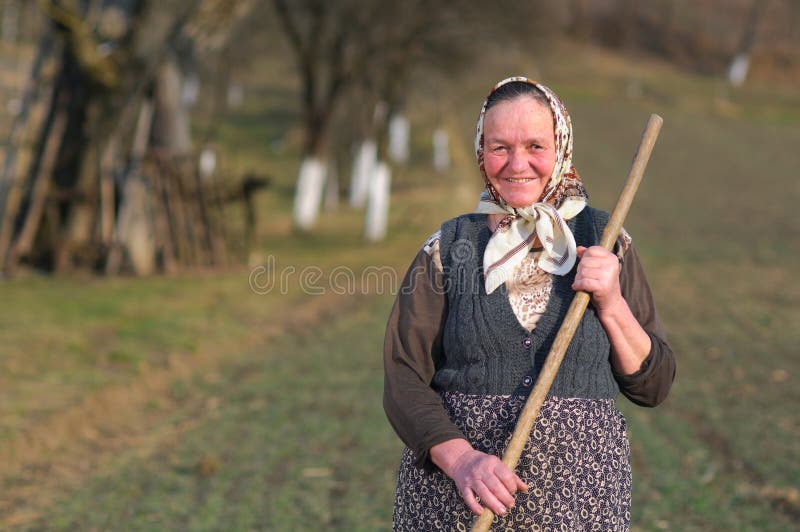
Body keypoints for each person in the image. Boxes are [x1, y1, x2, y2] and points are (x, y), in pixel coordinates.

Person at [383, 77, 676, 530]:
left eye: (535, 145)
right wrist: (461, 460)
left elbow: (652, 386)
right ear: (481, 150)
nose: (517, 164)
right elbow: (402, 376)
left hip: (581, 505)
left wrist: (611, 301)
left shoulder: (608, 242)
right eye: (500, 147)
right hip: (456, 505)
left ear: (561, 147)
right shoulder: (450, 246)